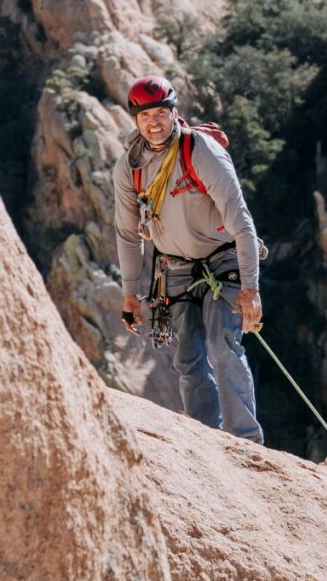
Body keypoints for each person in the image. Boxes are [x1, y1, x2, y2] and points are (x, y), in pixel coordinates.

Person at [114, 74, 266, 443]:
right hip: (174, 269)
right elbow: (127, 233)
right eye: (146, 115)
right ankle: (208, 443)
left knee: (222, 346)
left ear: (174, 112)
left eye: (161, 113)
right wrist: (131, 292)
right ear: (135, 120)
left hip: (223, 260)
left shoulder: (200, 151)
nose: (154, 122)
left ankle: (246, 443)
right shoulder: (129, 169)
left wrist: (251, 288)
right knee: (188, 360)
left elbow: (241, 220)